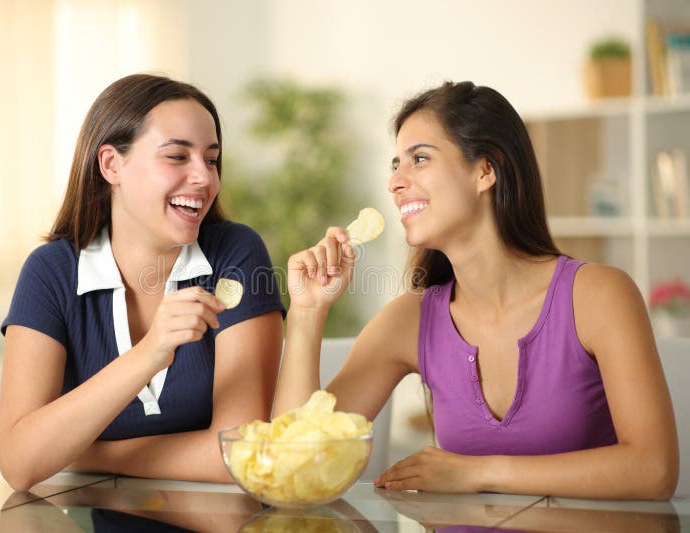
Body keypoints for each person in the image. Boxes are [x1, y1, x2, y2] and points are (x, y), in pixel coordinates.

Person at [274, 81, 679, 500]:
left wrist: (478, 473)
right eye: (396, 164)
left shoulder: (599, 296)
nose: (395, 181)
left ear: (485, 170)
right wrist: (306, 313)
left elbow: (654, 470)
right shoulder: (409, 320)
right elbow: (297, 468)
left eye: (420, 158)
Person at [0, 74, 285, 492]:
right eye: (177, 157)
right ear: (112, 165)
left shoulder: (235, 254)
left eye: (211, 159)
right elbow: (20, 464)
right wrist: (150, 352)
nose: (204, 177)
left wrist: (87, 453)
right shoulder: (51, 272)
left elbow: (240, 454)